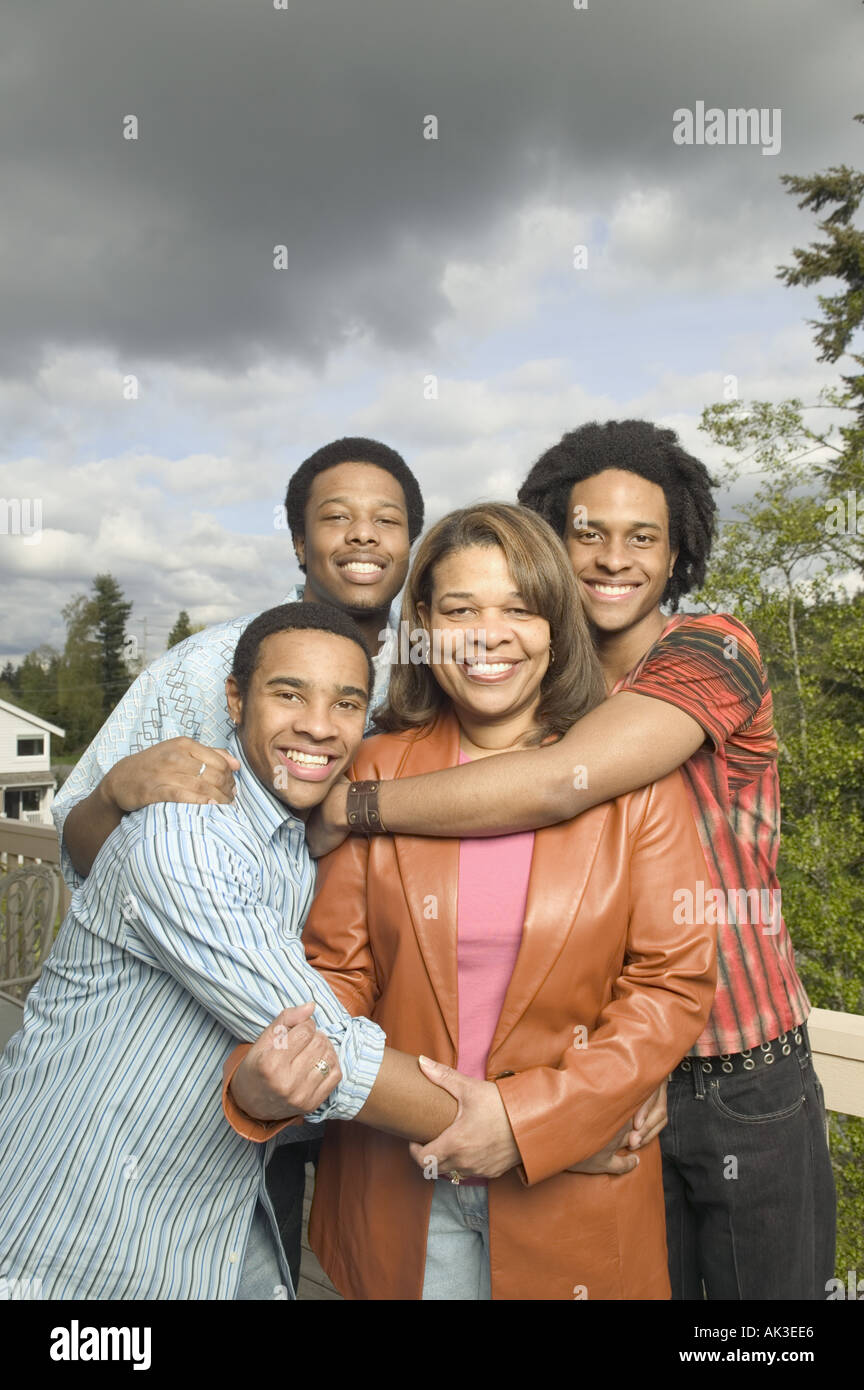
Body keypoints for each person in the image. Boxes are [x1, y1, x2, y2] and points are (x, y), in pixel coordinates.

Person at [307, 420, 836, 1302]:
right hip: (605, 1083)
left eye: (644, 538)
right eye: (587, 533)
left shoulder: (706, 650)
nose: (613, 558)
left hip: (742, 1070)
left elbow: (555, 785)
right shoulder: (534, 676)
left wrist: (355, 805)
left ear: (678, 554)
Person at [223, 505, 717, 1300]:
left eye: (520, 609)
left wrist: (532, 1125)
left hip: (579, 1200)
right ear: (421, 624)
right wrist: (272, 1076)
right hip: (398, 1192)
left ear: (556, 623)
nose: (490, 636)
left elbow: (671, 984)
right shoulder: (371, 769)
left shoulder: (632, 779)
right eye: (459, 611)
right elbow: (336, 976)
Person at [0, 603, 486, 1299]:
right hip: (70, 1245)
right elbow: (325, 1047)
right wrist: (527, 1125)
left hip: (207, 1233)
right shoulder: (186, 837)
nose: (319, 725)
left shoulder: (295, 844)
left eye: (346, 703)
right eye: (289, 694)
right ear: (235, 700)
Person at [50, 434, 424, 1276]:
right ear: (299, 543)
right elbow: (81, 842)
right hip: (222, 1032)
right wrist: (114, 795)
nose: (363, 535)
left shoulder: (425, 678)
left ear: (409, 545)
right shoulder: (210, 665)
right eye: (336, 517)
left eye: (386, 520)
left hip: (369, 1018)